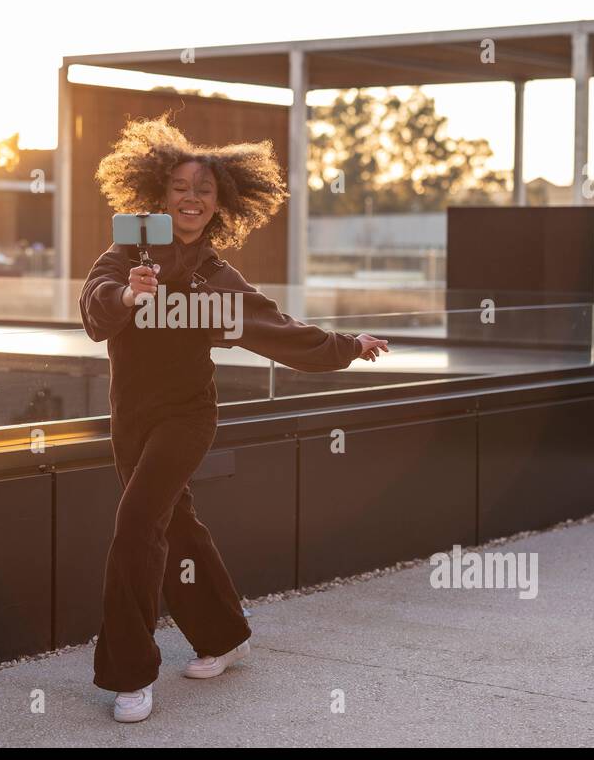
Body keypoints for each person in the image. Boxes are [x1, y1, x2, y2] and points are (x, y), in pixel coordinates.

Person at [78, 114, 389, 722]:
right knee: (180, 526)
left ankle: (130, 675)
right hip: (130, 418)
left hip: (188, 418)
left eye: (205, 190)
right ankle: (224, 634)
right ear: (159, 196)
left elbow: (281, 333)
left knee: (137, 525)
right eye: (180, 187)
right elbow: (95, 315)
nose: (191, 198)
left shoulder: (217, 279)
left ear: (221, 205)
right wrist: (127, 296)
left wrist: (348, 344)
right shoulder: (125, 256)